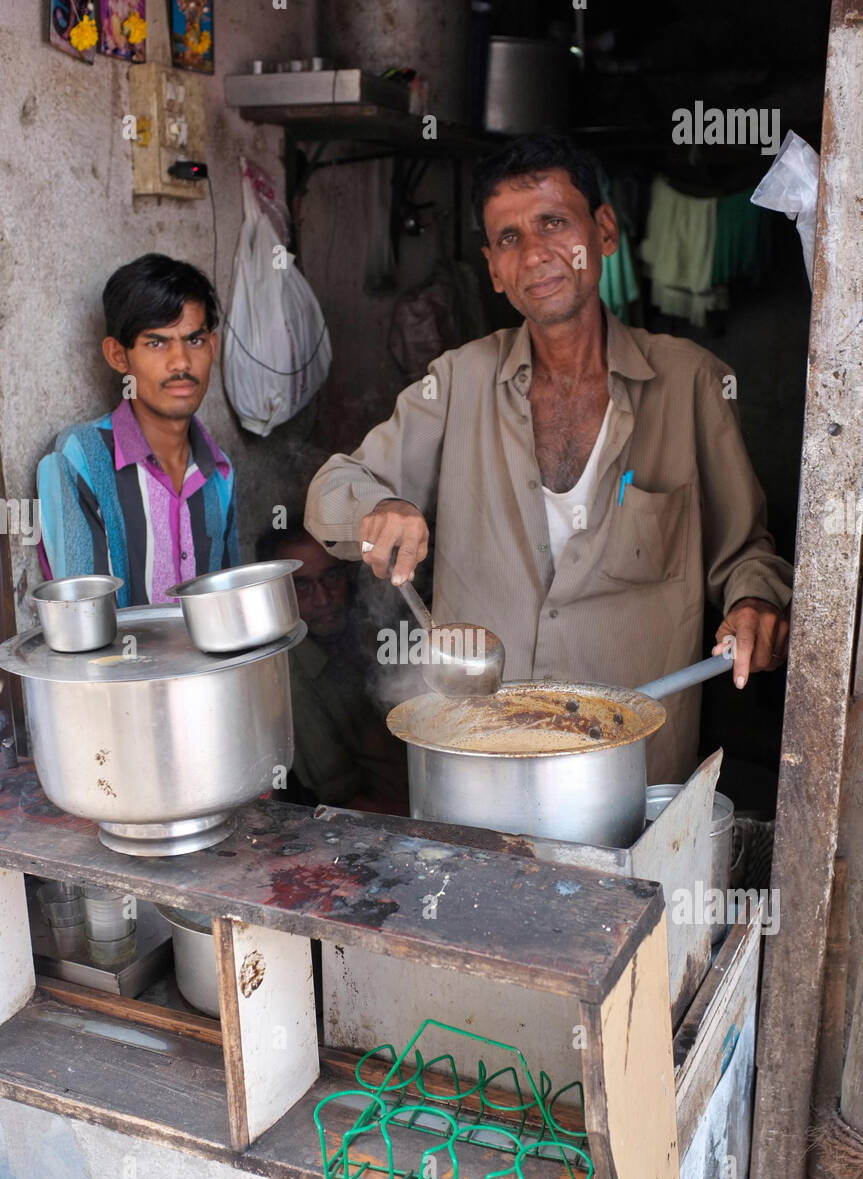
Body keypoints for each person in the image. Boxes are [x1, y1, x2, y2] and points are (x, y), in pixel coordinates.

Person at [304, 134, 793, 784]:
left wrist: (754, 602)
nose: (533, 253)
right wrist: (380, 507)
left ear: (604, 231)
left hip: (629, 769)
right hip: (476, 763)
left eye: (553, 223)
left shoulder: (690, 384)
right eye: (507, 239)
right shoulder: (455, 383)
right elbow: (334, 487)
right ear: (493, 271)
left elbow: (744, 554)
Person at [37, 254, 237, 604]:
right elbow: (84, 624)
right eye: (156, 343)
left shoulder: (219, 471)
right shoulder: (79, 459)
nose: (181, 362)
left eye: (194, 340)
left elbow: (229, 607)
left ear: (213, 347)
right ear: (118, 356)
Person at [256, 518, 409, 814]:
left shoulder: (372, 631)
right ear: (278, 593)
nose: (324, 598)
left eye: (332, 577)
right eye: (302, 586)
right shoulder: (290, 679)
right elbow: (346, 804)